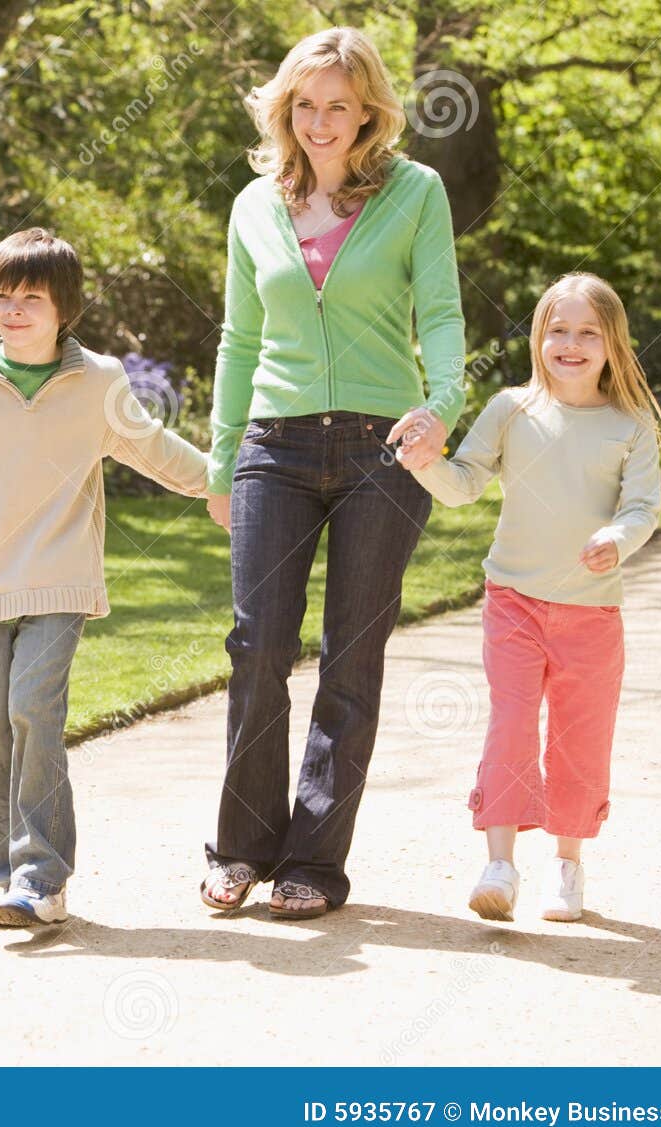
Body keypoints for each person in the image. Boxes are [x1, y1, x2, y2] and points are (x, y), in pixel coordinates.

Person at [201, 26, 466, 918]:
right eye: (306, 105)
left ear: (369, 114)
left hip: (380, 448)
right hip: (271, 447)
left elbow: (440, 315)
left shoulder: (415, 193)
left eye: (340, 107)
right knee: (258, 646)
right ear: (285, 108)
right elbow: (240, 340)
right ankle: (240, 845)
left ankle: (314, 863)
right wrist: (218, 456)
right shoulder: (252, 205)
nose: (321, 122)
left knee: (351, 657)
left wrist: (444, 406)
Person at [0, 227, 213, 927]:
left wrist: (226, 483)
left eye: (30, 297)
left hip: (60, 581)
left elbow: (152, 448)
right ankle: (10, 874)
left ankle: (41, 875)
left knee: (34, 707)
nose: (13, 309)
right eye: (2, 296)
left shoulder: (98, 382)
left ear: (64, 307)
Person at [401, 272, 661, 922]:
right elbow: (462, 484)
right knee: (511, 722)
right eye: (557, 330)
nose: (570, 344)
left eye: (586, 333)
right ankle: (499, 863)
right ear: (539, 337)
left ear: (612, 345)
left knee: (579, 736)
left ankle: (567, 868)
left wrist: (617, 537)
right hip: (512, 599)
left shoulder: (631, 423)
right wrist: (422, 460)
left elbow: (643, 507)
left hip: (591, 611)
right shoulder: (509, 410)